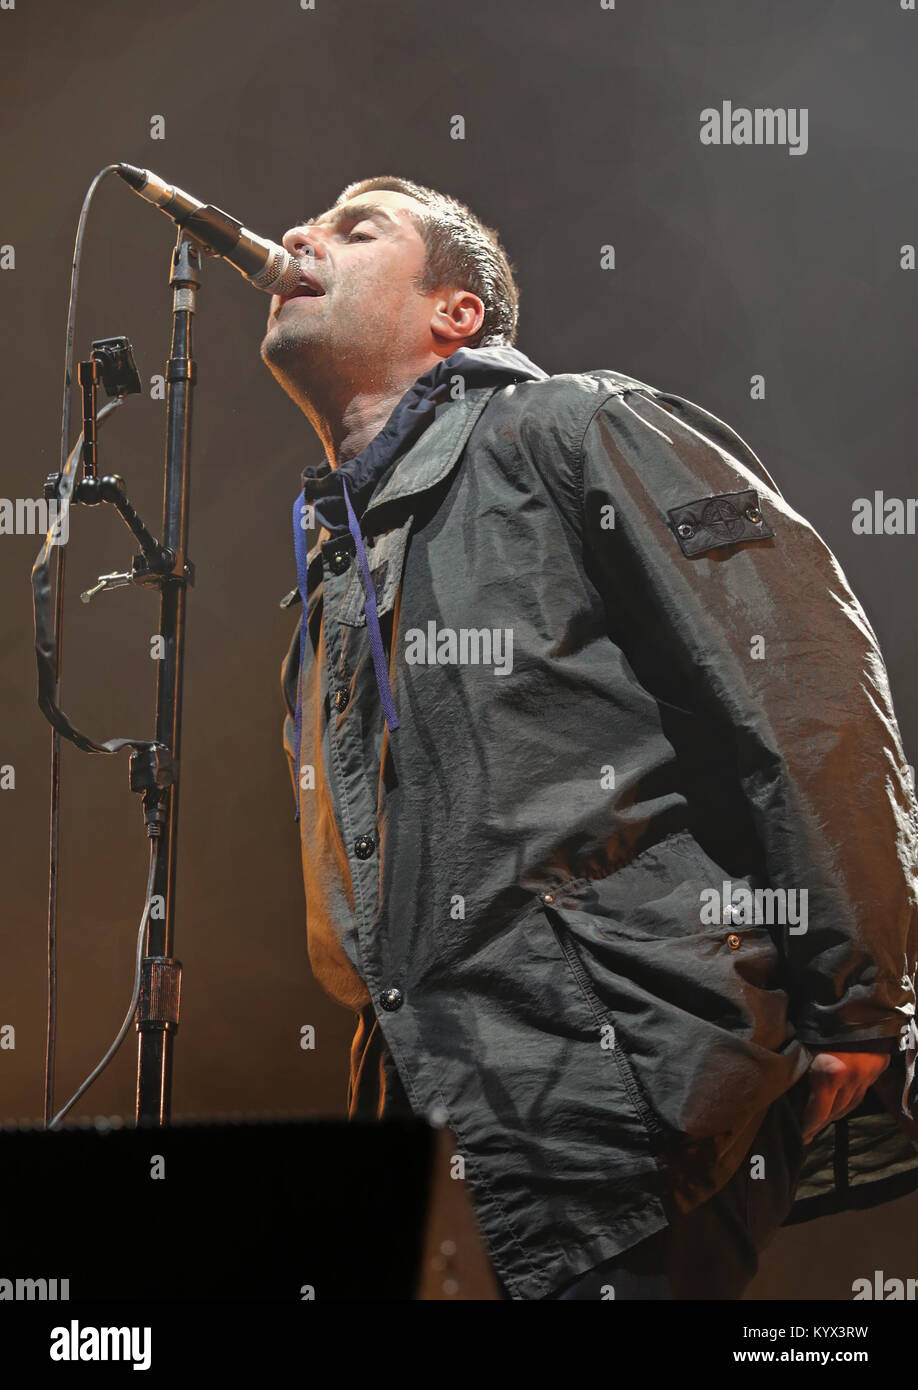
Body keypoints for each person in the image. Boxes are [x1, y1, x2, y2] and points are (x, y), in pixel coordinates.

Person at [259, 175, 918, 1300]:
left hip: (630, 1109)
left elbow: (801, 686)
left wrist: (863, 1001)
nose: (296, 237)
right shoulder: (338, 576)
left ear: (454, 314)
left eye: (356, 227)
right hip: (450, 1128)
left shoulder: (572, 427)